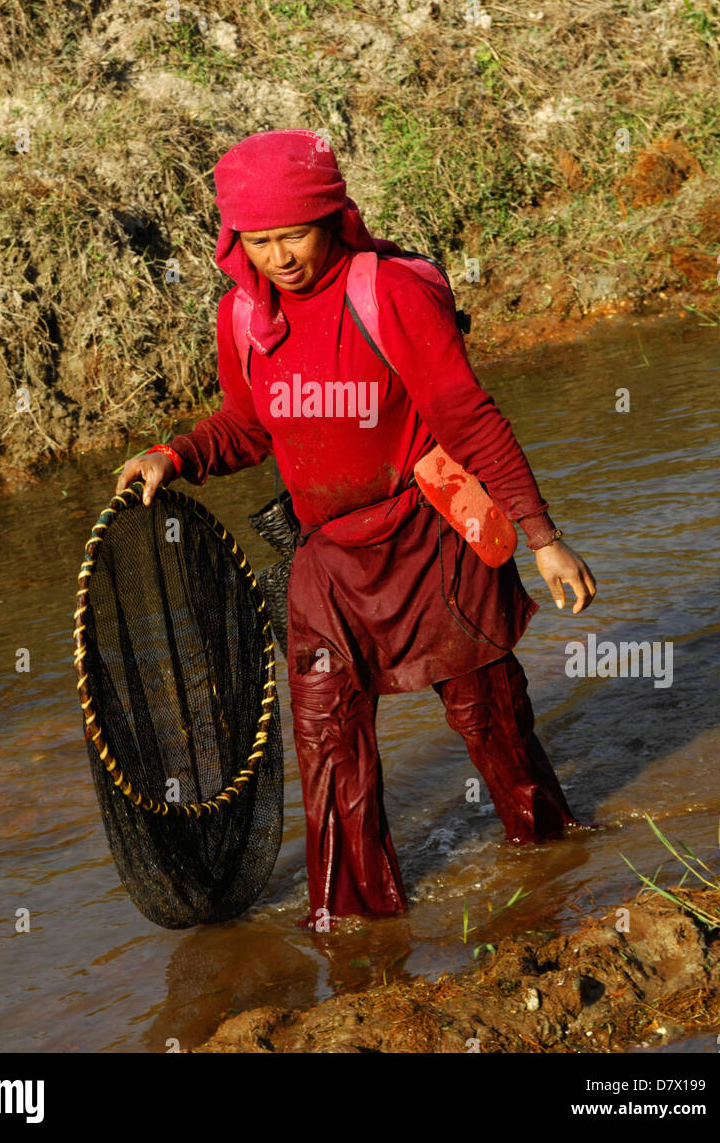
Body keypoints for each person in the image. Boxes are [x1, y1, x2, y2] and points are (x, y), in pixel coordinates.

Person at [116, 128, 598, 928]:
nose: (278, 258)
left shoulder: (390, 293)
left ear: (332, 219)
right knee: (327, 738)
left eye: (292, 236)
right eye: (257, 242)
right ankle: (355, 925)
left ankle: (550, 864)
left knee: (490, 721)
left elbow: (467, 419)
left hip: (431, 532)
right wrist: (177, 453)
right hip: (328, 558)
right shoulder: (240, 317)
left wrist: (541, 536)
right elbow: (246, 425)